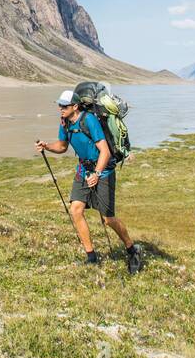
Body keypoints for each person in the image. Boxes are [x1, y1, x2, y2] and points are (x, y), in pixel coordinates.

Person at [36, 89, 141, 272]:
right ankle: (91, 257)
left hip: (104, 171)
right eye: (60, 105)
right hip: (83, 170)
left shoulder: (89, 120)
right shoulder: (65, 123)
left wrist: (97, 174)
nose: (61, 108)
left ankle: (132, 249)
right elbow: (62, 146)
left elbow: (105, 151)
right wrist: (47, 146)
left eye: (64, 106)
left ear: (75, 106)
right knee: (76, 210)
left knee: (108, 219)